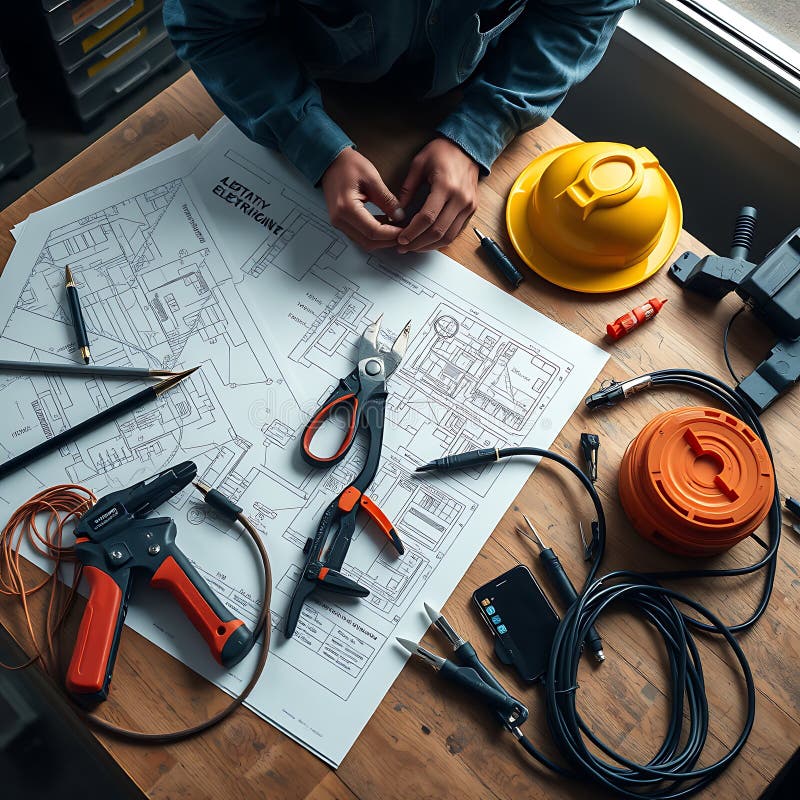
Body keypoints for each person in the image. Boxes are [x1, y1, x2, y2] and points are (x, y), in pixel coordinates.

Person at [164, 1, 635, 254]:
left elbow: (583, 11)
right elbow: (213, 27)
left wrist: (480, 130)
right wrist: (308, 139)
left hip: (466, 94)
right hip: (306, 88)